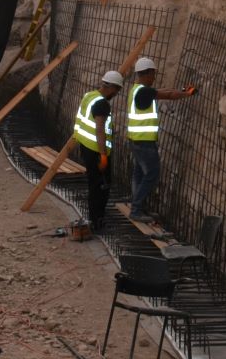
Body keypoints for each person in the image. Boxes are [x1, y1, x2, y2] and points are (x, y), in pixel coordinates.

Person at [125, 58, 195, 223]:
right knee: (152, 174)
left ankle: (137, 205)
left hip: (135, 140)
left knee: (139, 174)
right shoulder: (144, 92)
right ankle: (136, 209)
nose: (154, 77)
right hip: (144, 142)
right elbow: (168, 95)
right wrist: (187, 94)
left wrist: (181, 89)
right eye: (153, 74)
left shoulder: (136, 89)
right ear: (148, 73)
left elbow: (161, 91)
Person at [72, 71, 125, 231]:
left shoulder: (90, 95)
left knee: (94, 184)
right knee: (101, 187)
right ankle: (97, 222)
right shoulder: (102, 104)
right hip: (96, 150)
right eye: (117, 90)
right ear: (112, 87)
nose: (116, 94)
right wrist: (103, 156)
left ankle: (94, 219)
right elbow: (100, 129)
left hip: (85, 146)